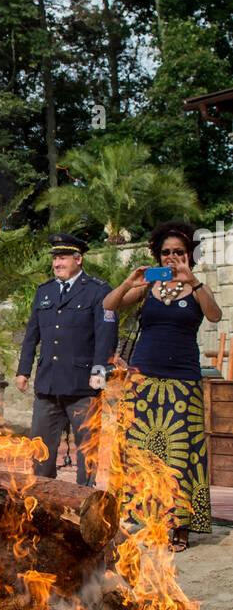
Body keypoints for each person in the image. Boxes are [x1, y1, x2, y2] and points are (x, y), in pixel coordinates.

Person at [102, 221, 221, 550]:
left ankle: (180, 525)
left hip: (183, 382)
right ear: (158, 254)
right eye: (166, 252)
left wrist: (192, 280)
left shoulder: (197, 287)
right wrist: (130, 281)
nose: (172, 258)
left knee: (181, 457)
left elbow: (214, 315)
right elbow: (109, 305)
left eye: (178, 253)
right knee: (141, 453)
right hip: (143, 380)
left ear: (189, 255)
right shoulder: (149, 289)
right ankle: (144, 518)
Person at [16, 233, 117, 486]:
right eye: (55, 258)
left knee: (87, 453)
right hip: (48, 385)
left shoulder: (98, 291)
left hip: (83, 385)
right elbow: (32, 335)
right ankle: (41, 501)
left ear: (78, 259)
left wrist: (99, 371)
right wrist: (23, 370)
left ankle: (86, 501)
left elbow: (106, 335)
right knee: (40, 453)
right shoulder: (45, 291)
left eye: (62, 258)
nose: (56, 263)